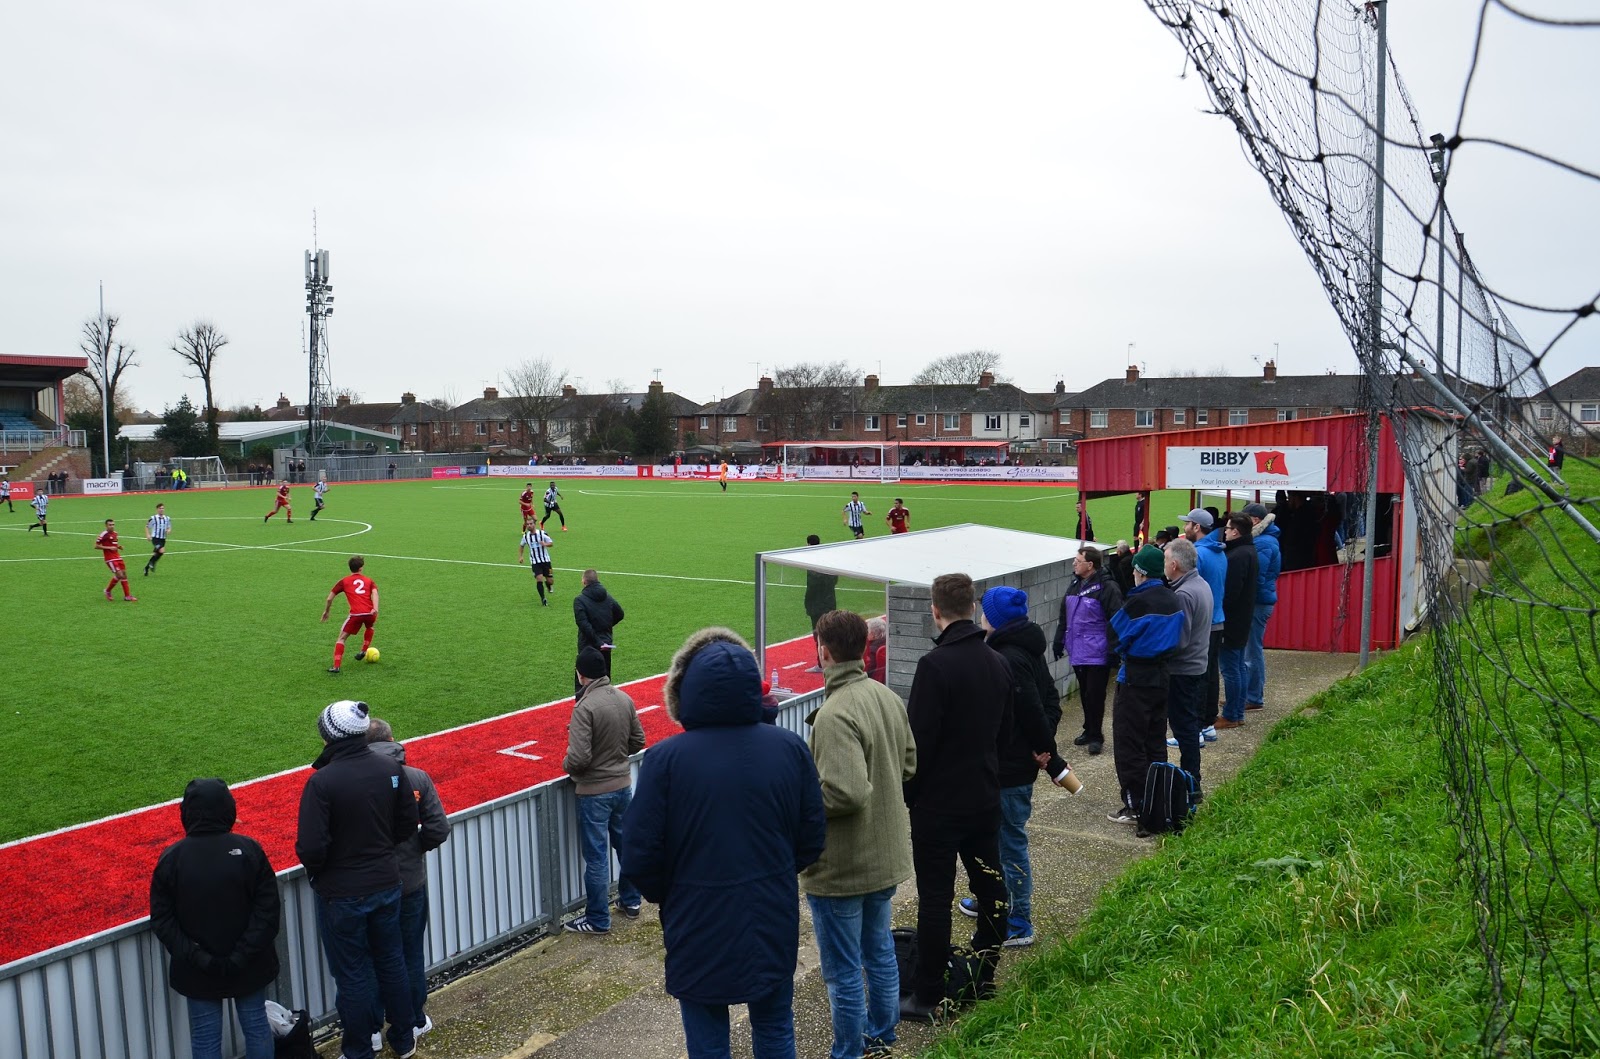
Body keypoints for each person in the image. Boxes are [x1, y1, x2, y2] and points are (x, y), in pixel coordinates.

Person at [620, 627, 826, 1059]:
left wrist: (671, 894)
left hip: (697, 920)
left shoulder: (665, 760)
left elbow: (638, 853)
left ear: (686, 692)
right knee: (773, 1028)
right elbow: (811, 840)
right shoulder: (789, 748)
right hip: (769, 912)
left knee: (709, 1041)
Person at [803, 610, 917, 1059]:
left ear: (824, 651)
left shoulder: (834, 714)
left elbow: (845, 794)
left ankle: (849, 1050)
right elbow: (909, 764)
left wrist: (801, 801)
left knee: (844, 970)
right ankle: (882, 1036)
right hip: (885, 854)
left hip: (845, 864)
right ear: (864, 648)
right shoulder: (886, 696)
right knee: (880, 954)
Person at [900, 573, 1011, 1022]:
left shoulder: (935, 666)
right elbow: (1002, 734)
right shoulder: (997, 662)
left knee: (935, 898)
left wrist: (913, 795)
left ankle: (928, 994)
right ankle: (983, 977)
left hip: (939, 804)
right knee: (990, 888)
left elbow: (916, 744)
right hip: (983, 797)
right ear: (973, 607)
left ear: (935, 609)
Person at [295, 699, 419, 1059]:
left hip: (344, 891)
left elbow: (312, 847)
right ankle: (403, 1037)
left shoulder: (323, 782)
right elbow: (406, 827)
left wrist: (324, 871)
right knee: (391, 959)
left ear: (329, 736)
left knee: (353, 973)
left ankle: (361, 1047)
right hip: (385, 881)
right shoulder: (389, 768)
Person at [149, 778, 281, 1059]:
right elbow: (267, 910)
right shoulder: (249, 850)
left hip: (199, 969)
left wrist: (198, 957)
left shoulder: (172, 858)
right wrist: (242, 954)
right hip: (248, 962)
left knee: (207, 1036)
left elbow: (162, 919)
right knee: (256, 1026)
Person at [973, 586, 1072, 950]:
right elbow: (1050, 700)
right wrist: (1042, 746)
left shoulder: (1009, 657)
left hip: (1009, 770)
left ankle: (1018, 919)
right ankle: (991, 899)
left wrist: (1043, 748)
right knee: (992, 838)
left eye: (984, 612)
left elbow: (1033, 708)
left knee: (1009, 842)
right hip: (1012, 764)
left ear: (995, 620)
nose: (980, 618)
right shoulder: (1022, 649)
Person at [365, 718, 450, 1051]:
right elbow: (438, 829)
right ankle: (413, 1020)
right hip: (410, 882)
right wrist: (415, 848)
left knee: (370, 957)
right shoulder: (416, 777)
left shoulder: (354, 781)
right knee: (409, 953)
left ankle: (371, 1028)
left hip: (368, 884)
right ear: (393, 740)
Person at [562, 647, 646, 935]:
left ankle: (598, 919)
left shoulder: (584, 708)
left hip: (595, 792)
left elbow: (579, 758)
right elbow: (638, 741)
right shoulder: (624, 698)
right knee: (626, 846)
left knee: (596, 858)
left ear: (580, 674)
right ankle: (631, 901)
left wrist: (567, 763)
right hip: (623, 786)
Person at [1106, 545, 1184, 829]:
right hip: (1162, 676)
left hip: (1136, 678)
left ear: (1139, 572)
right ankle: (1157, 801)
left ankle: (1136, 804)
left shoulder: (1138, 602)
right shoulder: (1173, 598)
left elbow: (1115, 636)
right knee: (1154, 741)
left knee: (1129, 743)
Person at [1054, 545, 1122, 755]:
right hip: (1079, 649)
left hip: (1097, 650)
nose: (1074, 564)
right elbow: (1065, 614)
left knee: (1095, 693)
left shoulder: (1107, 588)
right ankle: (1088, 728)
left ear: (1090, 565)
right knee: (1085, 692)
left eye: (1078, 560)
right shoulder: (1075, 584)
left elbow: (1116, 620)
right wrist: (1059, 639)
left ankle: (1096, 736)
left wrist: (1113, 650)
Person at [1163, 539, 1213, 798]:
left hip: (1183, 670)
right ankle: (1192, 780)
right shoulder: (1201, 584)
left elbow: (1179, 641)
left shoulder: (1183, 594)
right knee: (1188, 725)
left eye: (1165, 561)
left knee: (1184, 728)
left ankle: (1192, 783)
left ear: (1174, 564)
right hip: (1197, 666)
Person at [1183, 509, 1226, 745]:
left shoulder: (1198, 554)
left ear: (1197, 527)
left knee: (1197, 675)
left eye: (1188, 524)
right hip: (1217, 619)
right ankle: (1208, 723)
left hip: (1203, 623)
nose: (1185, 528)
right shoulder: (1220, 552)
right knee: (1210, 674)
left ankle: (1196, 727)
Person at [1215, 514, 1260, 730]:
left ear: (1236, 532)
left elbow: (1230, 592)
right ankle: (1237, 709)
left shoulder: (1237, 556)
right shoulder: (1248, 551)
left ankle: (1232, 714)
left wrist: (1220, 613)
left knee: (1231, 668)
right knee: (1238, 666)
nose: (1224, 531)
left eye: (1228, 528)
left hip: (1232, 621)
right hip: (1242, 618)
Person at [1241, 502, 1281, 714]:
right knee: (1249, 649)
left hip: (1257, 603)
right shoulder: (1264, 541)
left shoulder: (1263, 544)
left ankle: (1253, 696)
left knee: (1252, 650)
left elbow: (1256, 576)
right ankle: (1246, 693)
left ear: (1254, 520)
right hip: (1259, 601)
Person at [322, 555, 379, 674]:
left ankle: (336, 666)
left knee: (341, 639)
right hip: (370, 612)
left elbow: (329, 599)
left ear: (350, 568)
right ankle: (363, 650)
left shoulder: (344, 581)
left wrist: (326, 611)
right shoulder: (369, 581)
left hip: (356, 614)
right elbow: (375, 593)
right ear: (361, 568)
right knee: (370, 627)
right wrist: (375, 608)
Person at [574, 568, 624, 692]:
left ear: (584, 582)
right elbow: (620, 614)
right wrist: (605, 627)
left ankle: (584, 709)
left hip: (588, 645)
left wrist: (597, 641)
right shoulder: (607, 597)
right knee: (604, 679)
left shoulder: (580, 600)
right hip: (606, 644)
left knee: (584, 681)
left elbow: (583, 624)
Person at [803, 535, 839, 672]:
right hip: (830, 602)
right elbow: (835, 578)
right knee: (829, 631)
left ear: (808, 544)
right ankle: (833, 660)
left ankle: (821, 663)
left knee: (819, 634)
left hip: (818, 605)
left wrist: (808, 603)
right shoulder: (827, 559)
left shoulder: (813, 564)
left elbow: (812, 586)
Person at [95, 518, 137, 602]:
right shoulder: (104, 534)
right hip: (110, 558)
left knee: (124, 575)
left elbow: (114, 544)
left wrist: (119, 547)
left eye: (113, 525)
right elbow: (96, 546)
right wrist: (109, 547)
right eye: (110, 525)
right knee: (120, 575)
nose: (112, 526)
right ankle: (107, 591)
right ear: (106, 525)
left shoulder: (115, 534)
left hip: (117, 556)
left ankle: (127, 596)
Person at [518, 519, 557, 606]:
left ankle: (548, 585)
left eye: (531, 524)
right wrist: (520, 556)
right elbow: (521, 546)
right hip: (535, 562)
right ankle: (543, 599)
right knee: (539, 578)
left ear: (534, 524)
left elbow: (551, 543)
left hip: (546, 561)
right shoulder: (525, 536)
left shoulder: (542, 533)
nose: (529, 525)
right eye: (527, 524)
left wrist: (545, 544)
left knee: (550, 580)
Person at [144, 502, 172, 576]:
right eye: (160, 508)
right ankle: (152, 563)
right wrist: (147, 535)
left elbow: (169, 527)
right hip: (155, 538)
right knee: (161, 550)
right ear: (157, 509)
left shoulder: (167, 518)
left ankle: (147, 567)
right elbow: (147, 526)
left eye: (163, 508)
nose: (162, 510)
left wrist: (168, 530)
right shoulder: (153, 518)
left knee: (159, 553)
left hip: (163, 538)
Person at [864, 616, 888, 683]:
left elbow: (866, 672)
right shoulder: (888, 644)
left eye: (868, 631)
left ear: (873, 635)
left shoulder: (872, 650)